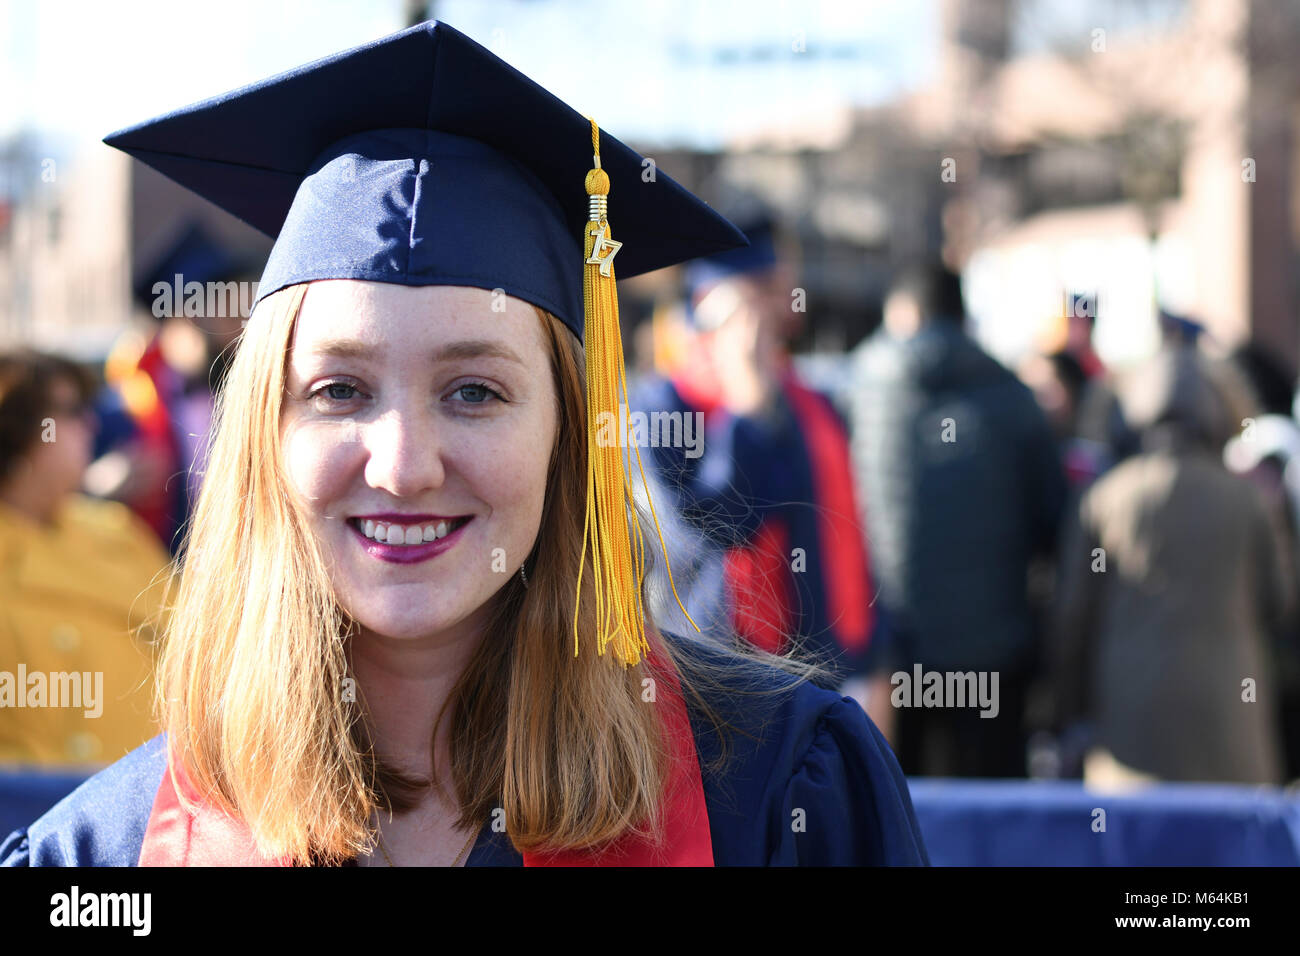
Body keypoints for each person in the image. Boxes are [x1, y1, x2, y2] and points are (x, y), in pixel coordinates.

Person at [1, 20, 928, 867]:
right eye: (338, 389)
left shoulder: (776, 796)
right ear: (263, 437)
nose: (403, 464)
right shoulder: (105, 856)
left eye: (476, 391)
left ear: (571, 431)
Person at [629, 208, 882, 703]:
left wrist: (872, 655)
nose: (781, 307)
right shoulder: (662, 405)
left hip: (819, 668)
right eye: (761, 289)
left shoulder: (808, 401)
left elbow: (843, 530)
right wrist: (745, 408)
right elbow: (716, 526)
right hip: (711, 679)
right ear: (710, 305)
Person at [847, 261, 1067, 777]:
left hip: (891, 653)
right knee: (992, 821)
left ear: (904, 312)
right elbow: (1053, 521)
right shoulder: (1014, 397)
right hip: (995, 654)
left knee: (901, 818)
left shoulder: (857, 389)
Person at [1052, 344, 1293, 786]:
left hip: (1129, 736)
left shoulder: (1103, 500)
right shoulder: (1247, 500)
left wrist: (1065, 711)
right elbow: (1280, 602)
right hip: (1229, 731)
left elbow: (1073, 619)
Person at [0, 349, 170, 766]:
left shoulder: (115, 530)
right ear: (19, 432)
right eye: (71, 411)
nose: (90, 424)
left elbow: (200, 648)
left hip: (159, 803)